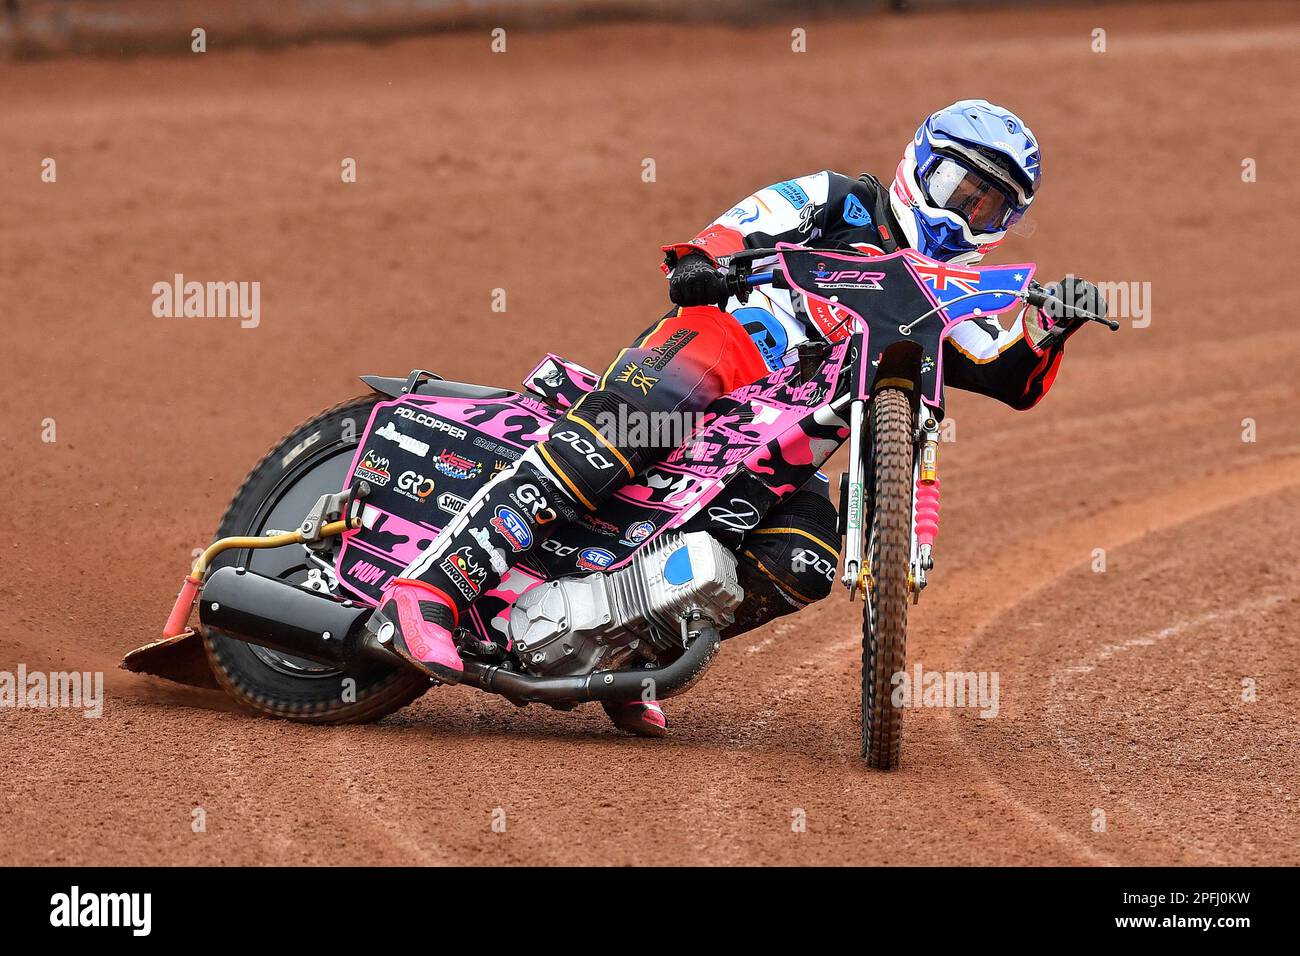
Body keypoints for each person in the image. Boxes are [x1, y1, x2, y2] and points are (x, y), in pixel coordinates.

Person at [368, 99, 1106, 737]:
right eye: (958, 188)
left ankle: (628, 656)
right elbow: (733, 231)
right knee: (626, 433)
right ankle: (431, 588)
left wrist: (1049, 327)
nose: (964, 214)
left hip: (780, 436)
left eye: (989, 206)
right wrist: (705, 260)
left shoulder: (956, 288)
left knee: (806, 560)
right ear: (920, 162)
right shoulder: (840, 199)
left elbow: (1004, 374)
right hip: (721, 352)